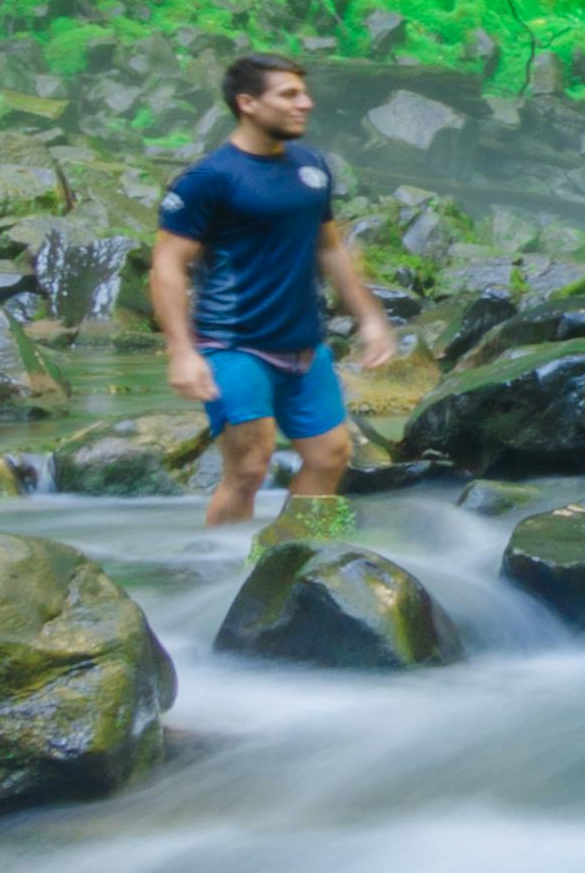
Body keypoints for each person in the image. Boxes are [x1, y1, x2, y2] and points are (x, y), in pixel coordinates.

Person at [151, 53, 401, 527]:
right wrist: (180, 352)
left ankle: (289, 563)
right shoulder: (209, 180)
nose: (305, 104)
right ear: (248, 103)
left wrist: (370, 318)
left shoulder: (312, 168)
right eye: (289, 95)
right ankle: (220, 577)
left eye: (303, 93)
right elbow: (167, 266)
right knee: (248, 468)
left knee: (330, 456)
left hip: (304, 345)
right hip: (233, 345)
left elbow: (329, 248)